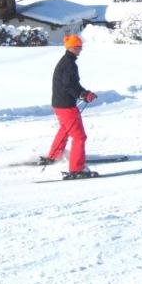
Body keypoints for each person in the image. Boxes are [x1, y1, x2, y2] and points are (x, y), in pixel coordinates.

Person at [39, 34, 98, 177]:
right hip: (66, 105)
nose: (81, 49)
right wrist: (82, 95)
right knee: (79, 137)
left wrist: (84, 93)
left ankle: (54, 156)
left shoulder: (67, 61)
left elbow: (73, 84)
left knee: (65, 130)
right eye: (79, 47)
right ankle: (77, 169)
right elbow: (69, 86)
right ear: (72, 47)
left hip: (59, 103)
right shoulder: (69, 64)